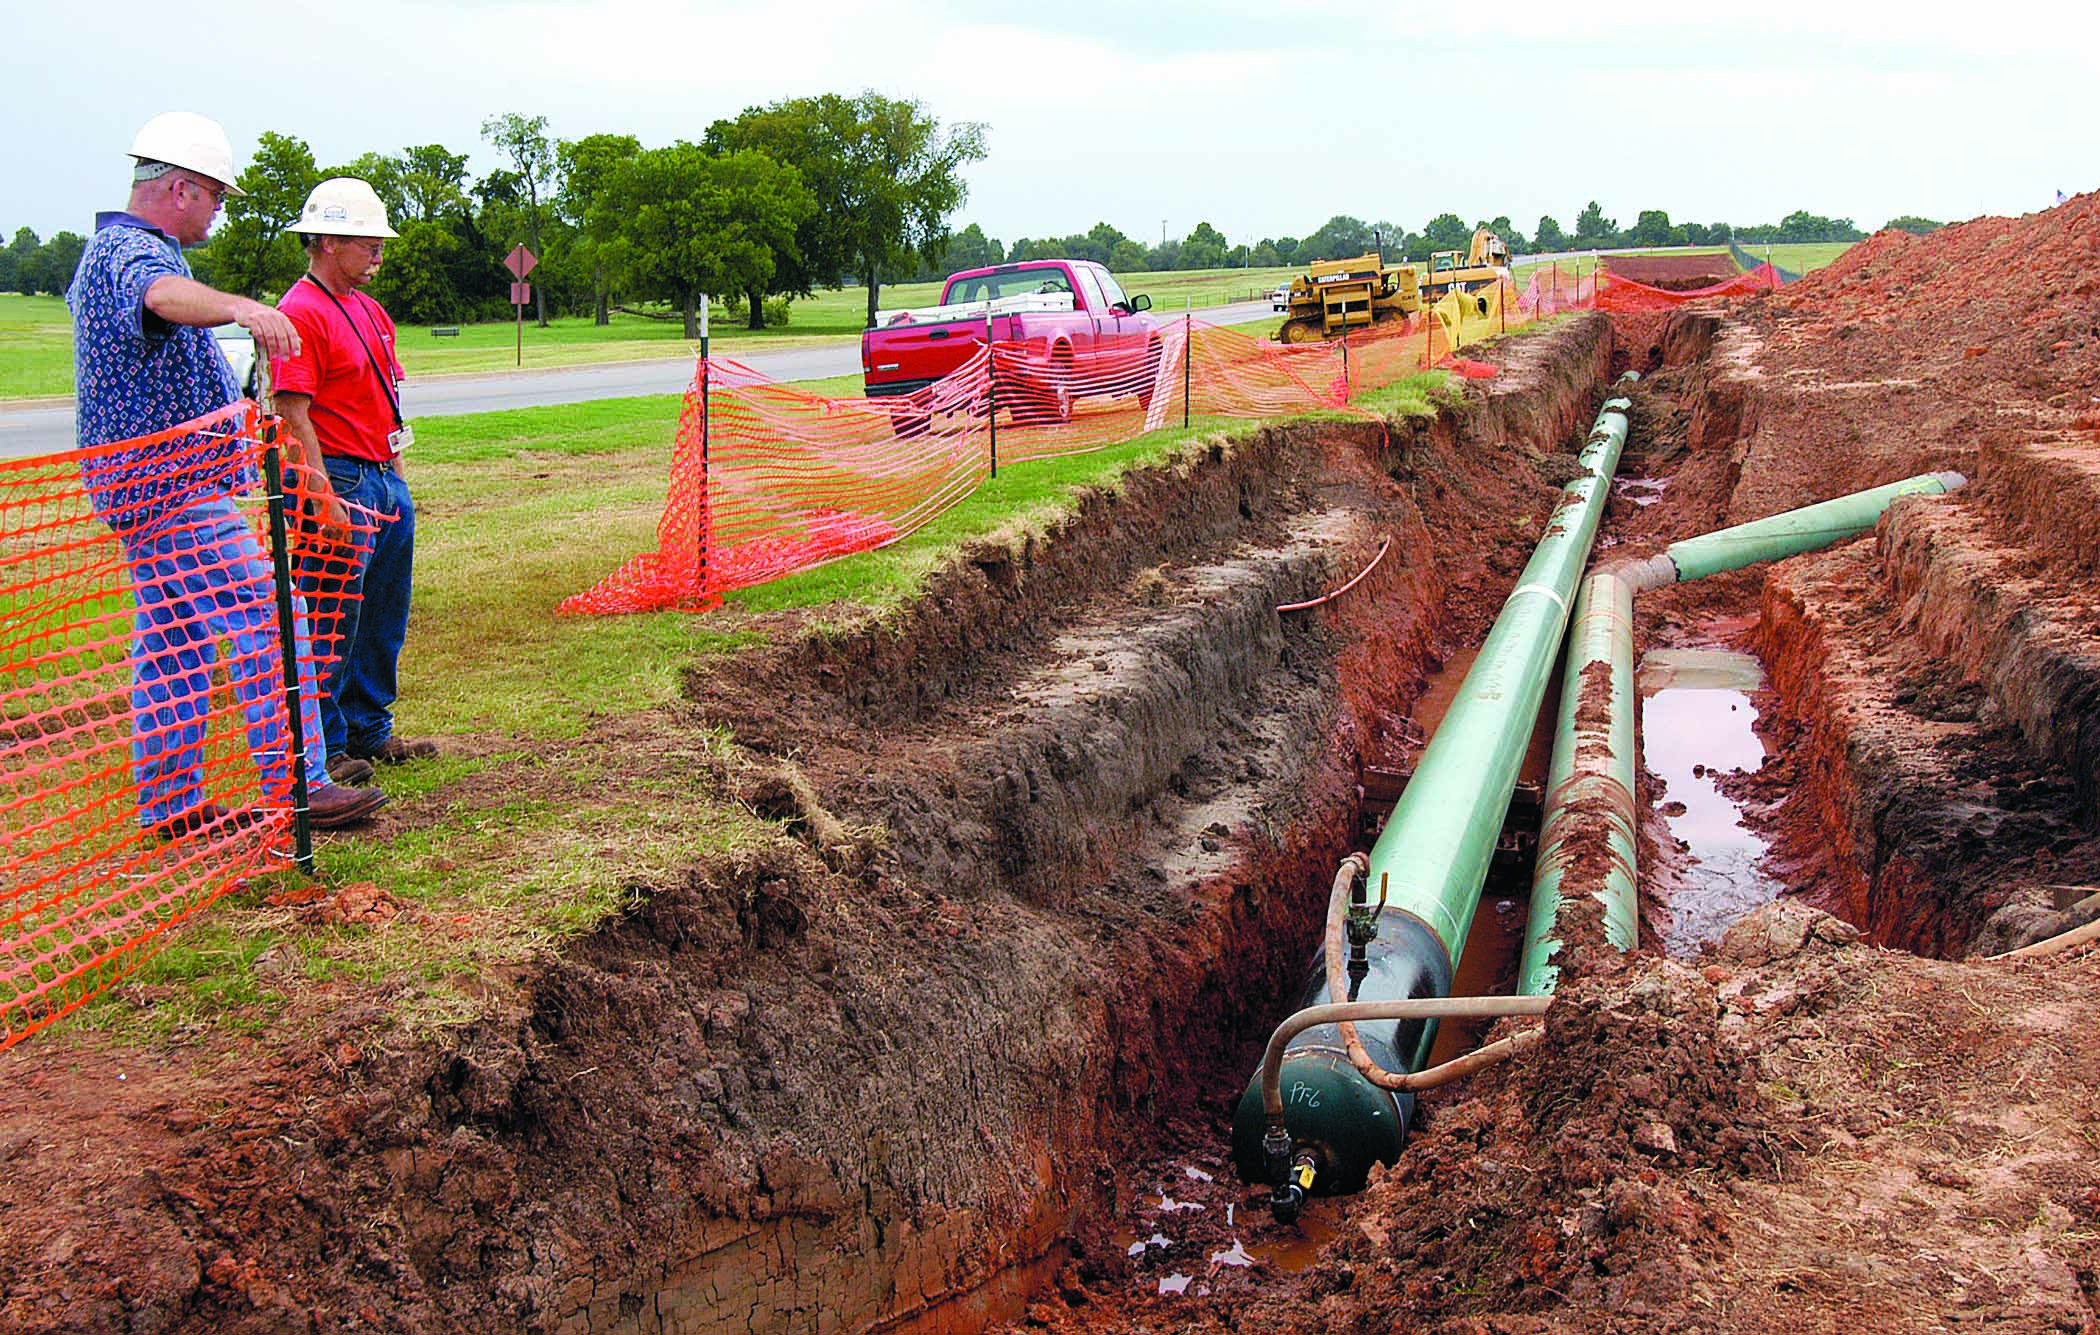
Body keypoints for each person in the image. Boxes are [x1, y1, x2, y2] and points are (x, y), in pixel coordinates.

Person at [67, 111, 387, 838]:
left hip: (151, 488)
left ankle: (171, 806)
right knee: (271, 613)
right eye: (215, 196)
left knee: (173, 646)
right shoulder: (128, 252)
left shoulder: (132, 250)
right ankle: (299, 783)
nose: (217, 210)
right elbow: (158, 299)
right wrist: (242, 309)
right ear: (180, 189)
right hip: (170, 490)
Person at [271, 178, 437, 780]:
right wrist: (322, 497)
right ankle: (329, 745)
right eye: (368, 243)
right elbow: (293, 413)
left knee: (383, 613)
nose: (379, 255)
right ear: (328, 240)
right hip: (337, 476)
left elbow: (385, 399)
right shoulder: (300, 313)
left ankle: (370, 727)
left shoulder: (369, 310)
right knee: (331, 615)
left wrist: (397, 479)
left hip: (381, 475)